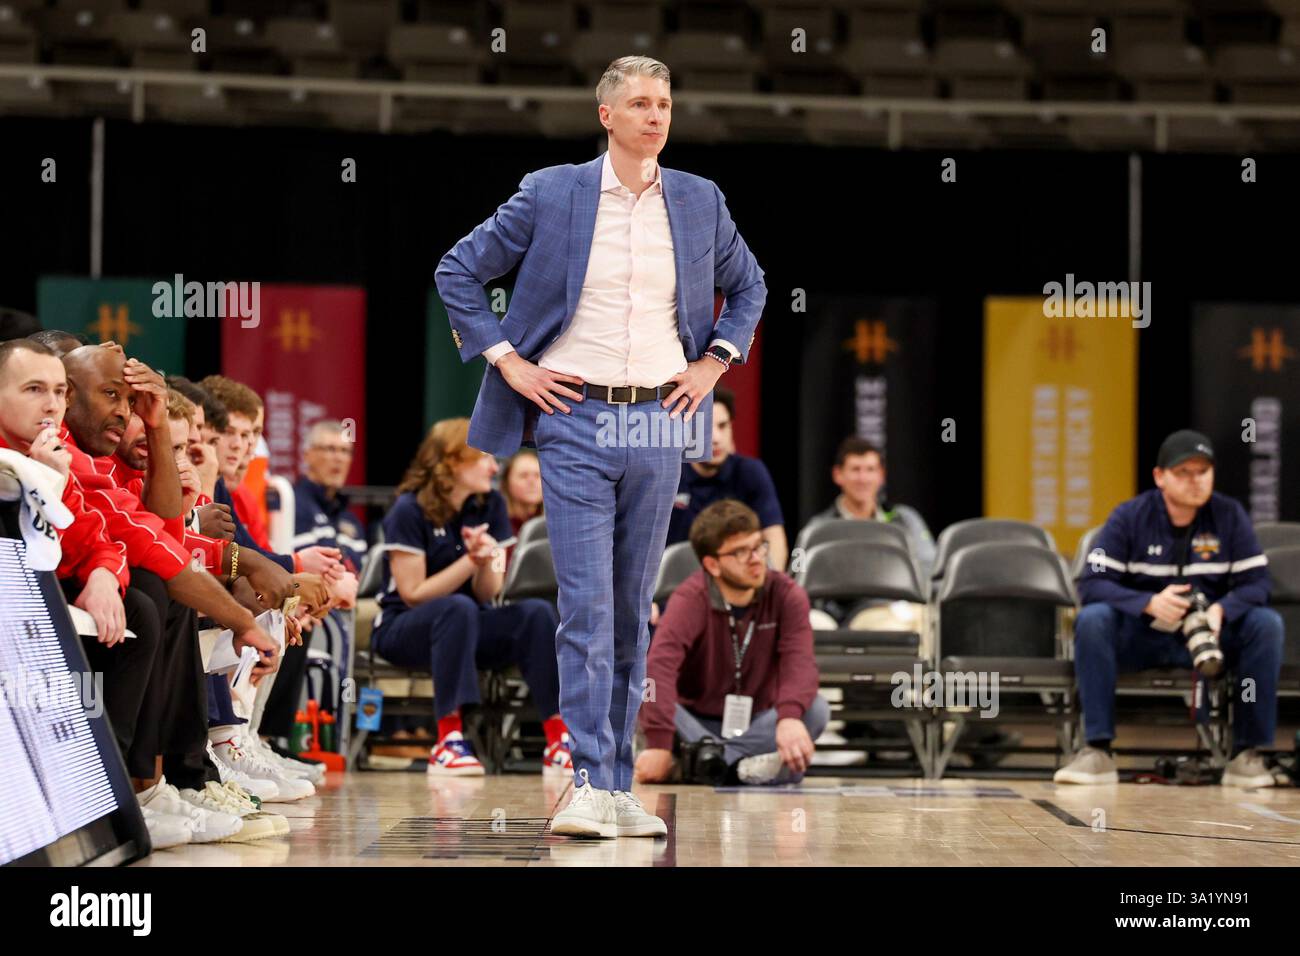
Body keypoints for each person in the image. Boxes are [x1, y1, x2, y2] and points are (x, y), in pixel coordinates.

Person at [436, 55, 765, 838]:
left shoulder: (699, 199)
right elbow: (459, 269)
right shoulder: (553, 190)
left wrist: (714, 362)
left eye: (666, 103)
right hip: (574, 415)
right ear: (607, 115)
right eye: (641, 104)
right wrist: (510, 362)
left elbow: (748, 286)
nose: (656, 116)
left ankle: (618, 786)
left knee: (629, 610)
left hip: (657, 419)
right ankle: (585, 779)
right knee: (585, 605)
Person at [1059, 429, 1284, 788]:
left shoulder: (1229, 515)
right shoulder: (1129, 516)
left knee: (1265, 623)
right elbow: (1091, 583)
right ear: (1160, 477)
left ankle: (1247, 755)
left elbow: (1258, 584)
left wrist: (1221, 611)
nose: (1195, 481)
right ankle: (1097, 750)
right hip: (1144, 635)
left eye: (1203, 471)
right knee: (1093, 619)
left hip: (1208, 637)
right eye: (1184, 473)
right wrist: (1146, 603)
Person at [370, 419, 571, 775]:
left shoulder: (490, 503)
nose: (495, 468)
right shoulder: (409, 509)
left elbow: (488, 592)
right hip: (403, 628)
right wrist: (469, 561)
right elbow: (414, 594)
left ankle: (558, 739)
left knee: (536, 614)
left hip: (467, 621)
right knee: (456, 609)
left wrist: (487, 559)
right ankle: (448, 741)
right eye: (484, 458)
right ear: (452, 462)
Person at [635, 500, 828, 786]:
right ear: (712, 564)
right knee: (642, 692)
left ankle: (705, 765)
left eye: (759, 545)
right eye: (741, 552)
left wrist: (788, 717)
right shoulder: (690, 598)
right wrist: (660, 744)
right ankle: (741, 769)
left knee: (817, 709)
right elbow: (659, 668)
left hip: (758, 722)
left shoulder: (787, 595)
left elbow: (799, 663)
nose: (756, 558)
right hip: (694, 723)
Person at [665, 386, 787, 571]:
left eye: (723, 426)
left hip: (738, 588)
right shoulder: (667, 475)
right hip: (672, 592)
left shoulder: (751, 472)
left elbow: (774, 537)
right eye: (705, 427)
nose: (716, 438)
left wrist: (769, 588)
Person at [812, 437, 936, 576]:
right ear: (838, 474)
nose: (863, 478)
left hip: (899, 596)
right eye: (855, 469)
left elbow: (930, 567)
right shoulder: (819, 528)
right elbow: (802, 577)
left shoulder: (906, 519)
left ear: (881, 475)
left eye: (870, 470)